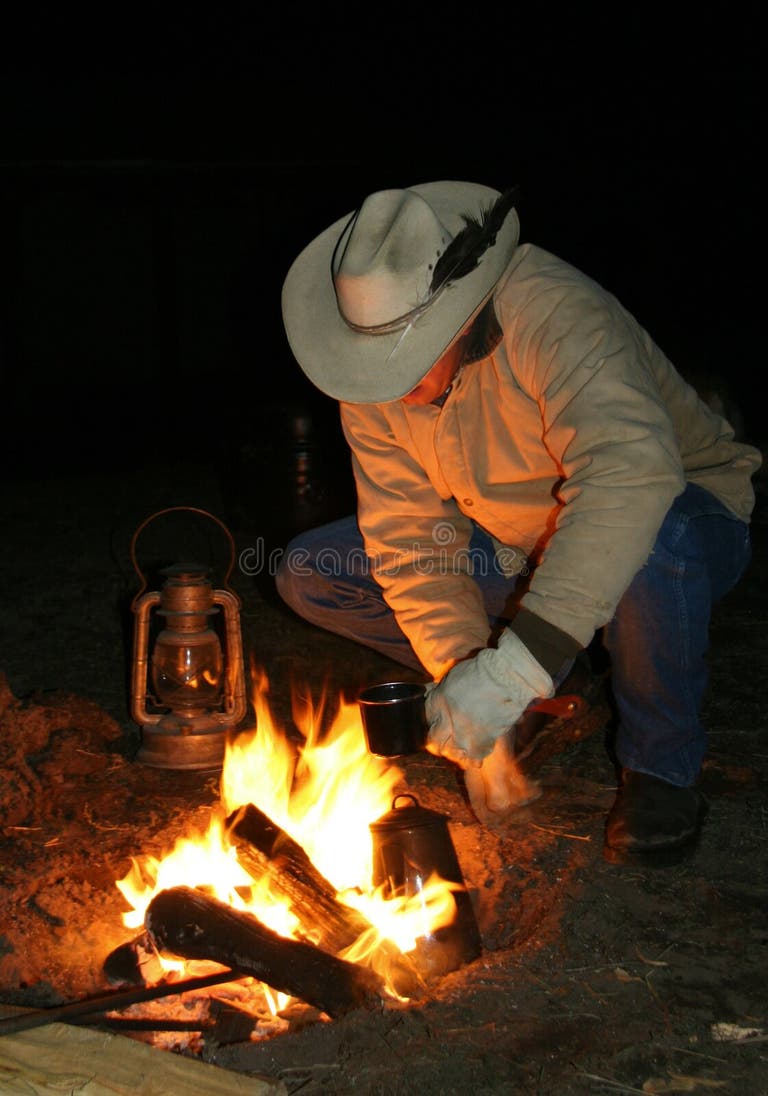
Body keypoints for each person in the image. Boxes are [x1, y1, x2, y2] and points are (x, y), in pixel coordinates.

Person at [276, 180, 762, 865]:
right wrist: (469, 683)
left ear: (458, 316)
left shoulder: (554, 311)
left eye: (404, 363)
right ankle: (540, 694)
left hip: (677, 516)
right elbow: (410, 540)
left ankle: (661, 768)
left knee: (654, 538)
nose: (389, 387)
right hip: (512, 544)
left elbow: (631, 475)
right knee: (314, 572)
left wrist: (518, 663)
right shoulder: (371, 380)